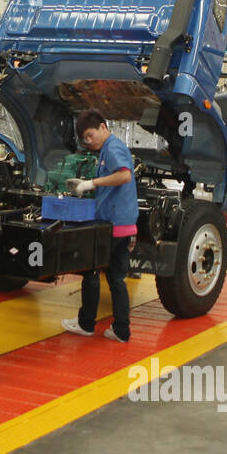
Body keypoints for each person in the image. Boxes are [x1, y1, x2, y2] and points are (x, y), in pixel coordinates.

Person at [61, 110, 138, 342]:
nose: (88, 141)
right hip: (121, 225)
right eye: (84, 138)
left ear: (103, 127)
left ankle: (86, 323)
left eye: (90, 135)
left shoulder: (113, 148)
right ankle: (121, 329)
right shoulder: (106, 150)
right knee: (116, 278)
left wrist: (90, 183)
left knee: (91, 271)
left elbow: (124, 175)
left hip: (113, 226)